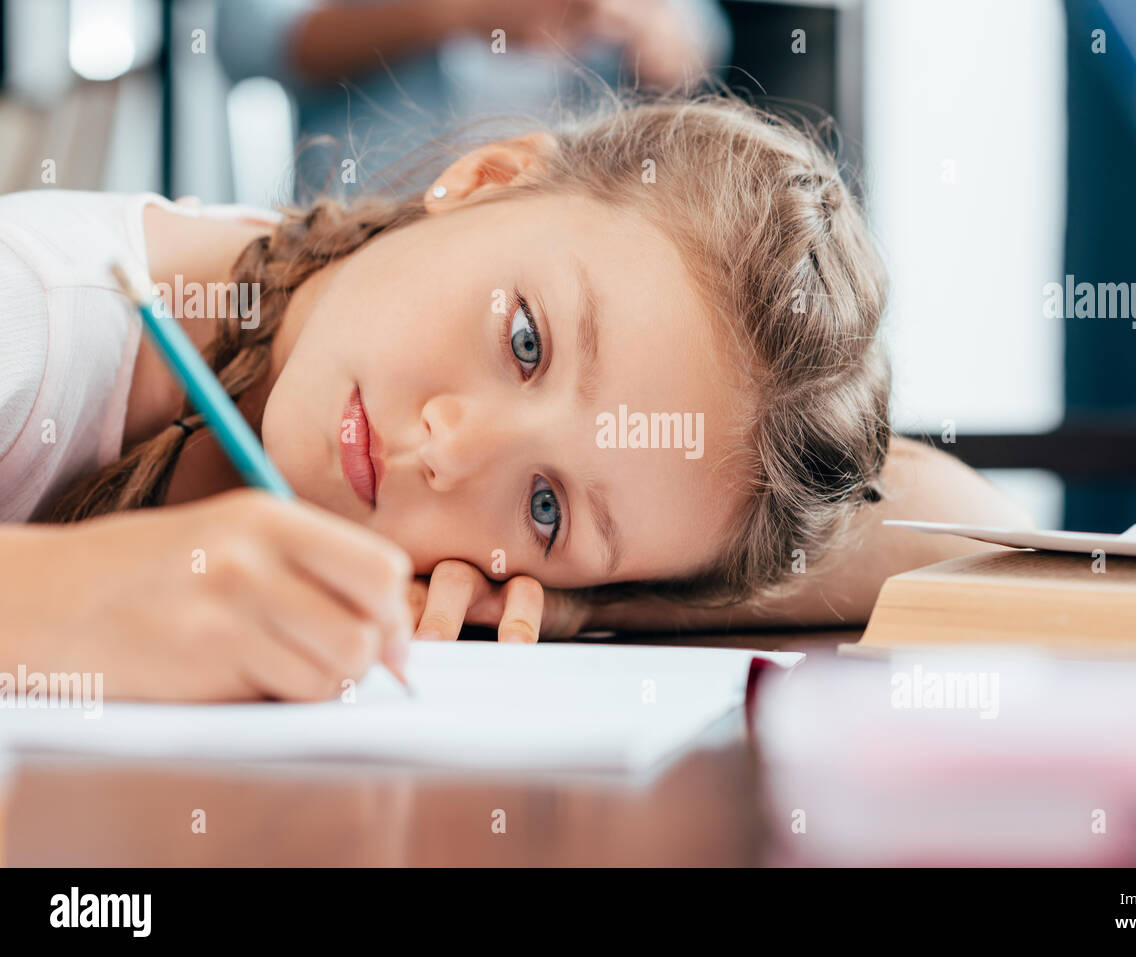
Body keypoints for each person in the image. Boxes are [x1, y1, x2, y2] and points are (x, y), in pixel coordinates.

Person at [0, 94, 1029, 703]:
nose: (453, 450)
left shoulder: (329, 306)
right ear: (487, 176)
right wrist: (71, 600)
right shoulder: (36, 316)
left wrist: (592, 604)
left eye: (546, 507)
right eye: (525, 341)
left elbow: (974, 529)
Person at [215, 0, 730, 198]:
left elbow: (699, 43)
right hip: (365, 223)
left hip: (556, 233)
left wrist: (645, 27)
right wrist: (451, 12)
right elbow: (248, 41)